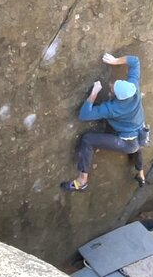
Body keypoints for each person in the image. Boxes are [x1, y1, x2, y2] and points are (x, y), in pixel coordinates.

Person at [60, 53, 146, 192]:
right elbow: (134, 61)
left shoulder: (113, 108)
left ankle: (82, 181)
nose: (111, 85)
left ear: (118, 97)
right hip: (139, 134)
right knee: (136, 145)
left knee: (88, 139)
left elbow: (84, 115)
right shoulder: (133, 88)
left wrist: (94, 93)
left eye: (112, 88)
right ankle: (141, 174)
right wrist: (115, 61)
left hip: (127, 142)